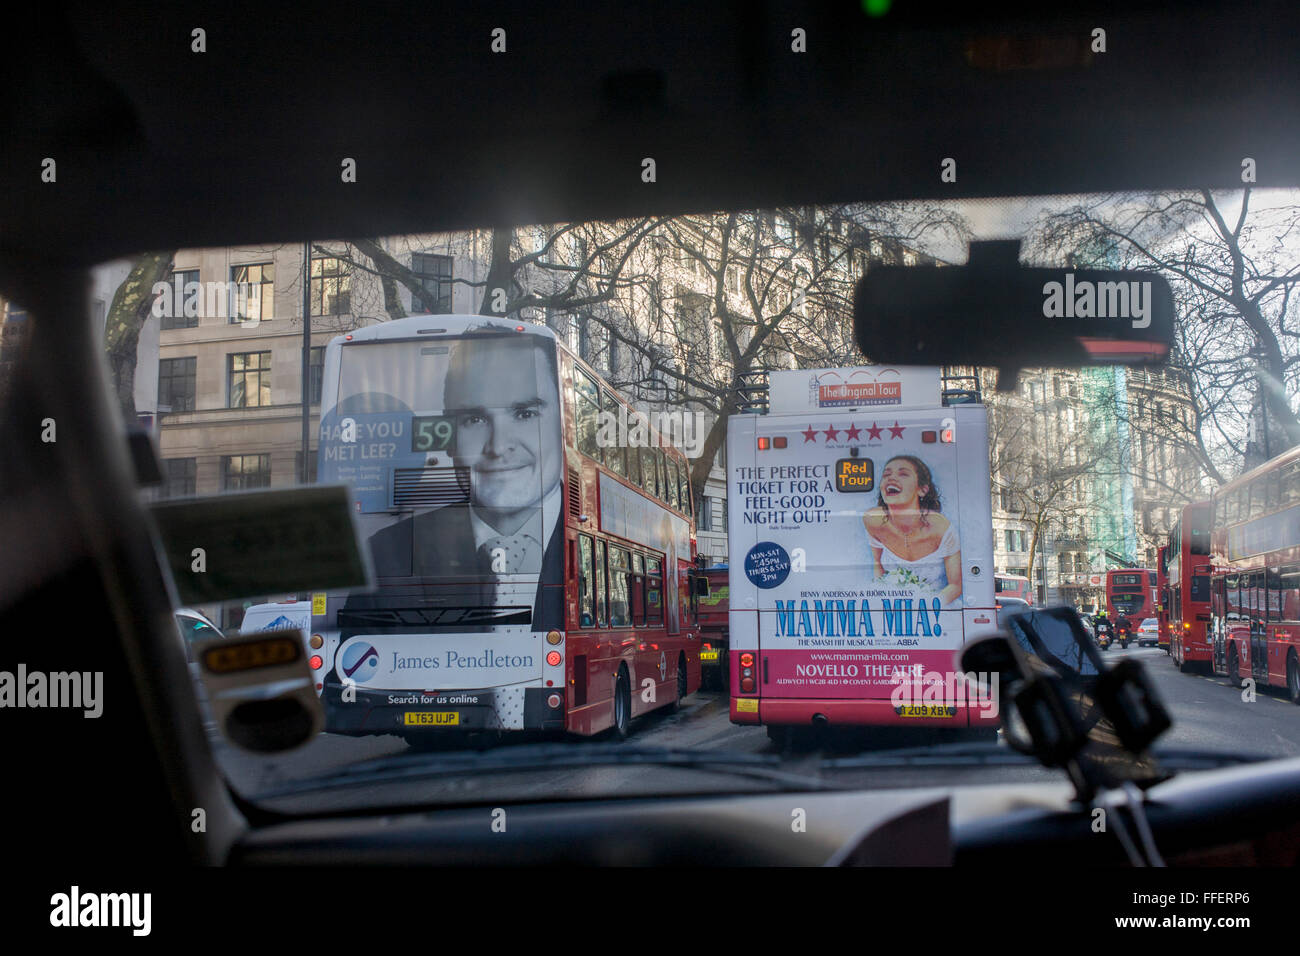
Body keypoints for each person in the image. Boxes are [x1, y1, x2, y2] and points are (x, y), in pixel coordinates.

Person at [351, 330, 565, 629]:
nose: (498, 446)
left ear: (564, 425)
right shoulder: (385, 554)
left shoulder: (591, 550)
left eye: (525, 413)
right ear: (450, 438)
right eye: (474, 420)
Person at [862, 454, 962, 608]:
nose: (891, 478)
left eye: (903, 474)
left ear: (922, 490)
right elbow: (878, 565)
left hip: (937, 611)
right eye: (886, 475)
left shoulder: (941, 528)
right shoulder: (872, 520)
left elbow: (955, 586)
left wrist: (925, 608)